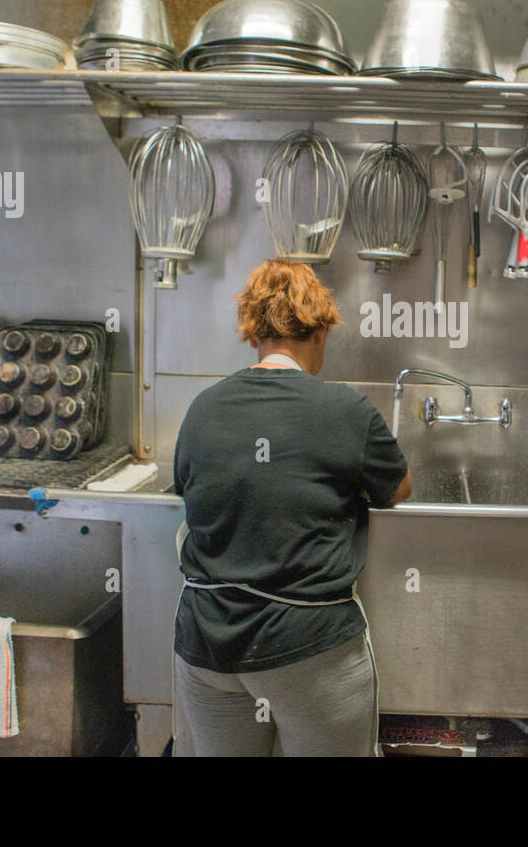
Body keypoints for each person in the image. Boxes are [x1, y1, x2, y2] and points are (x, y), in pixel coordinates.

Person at [172, 259, 412, 756]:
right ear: (321, 332)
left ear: (252, 332)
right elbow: (399, 489)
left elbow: (191, 488)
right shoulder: (346, 410)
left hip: (208, 648)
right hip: (310, 651)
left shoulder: (203, 408)